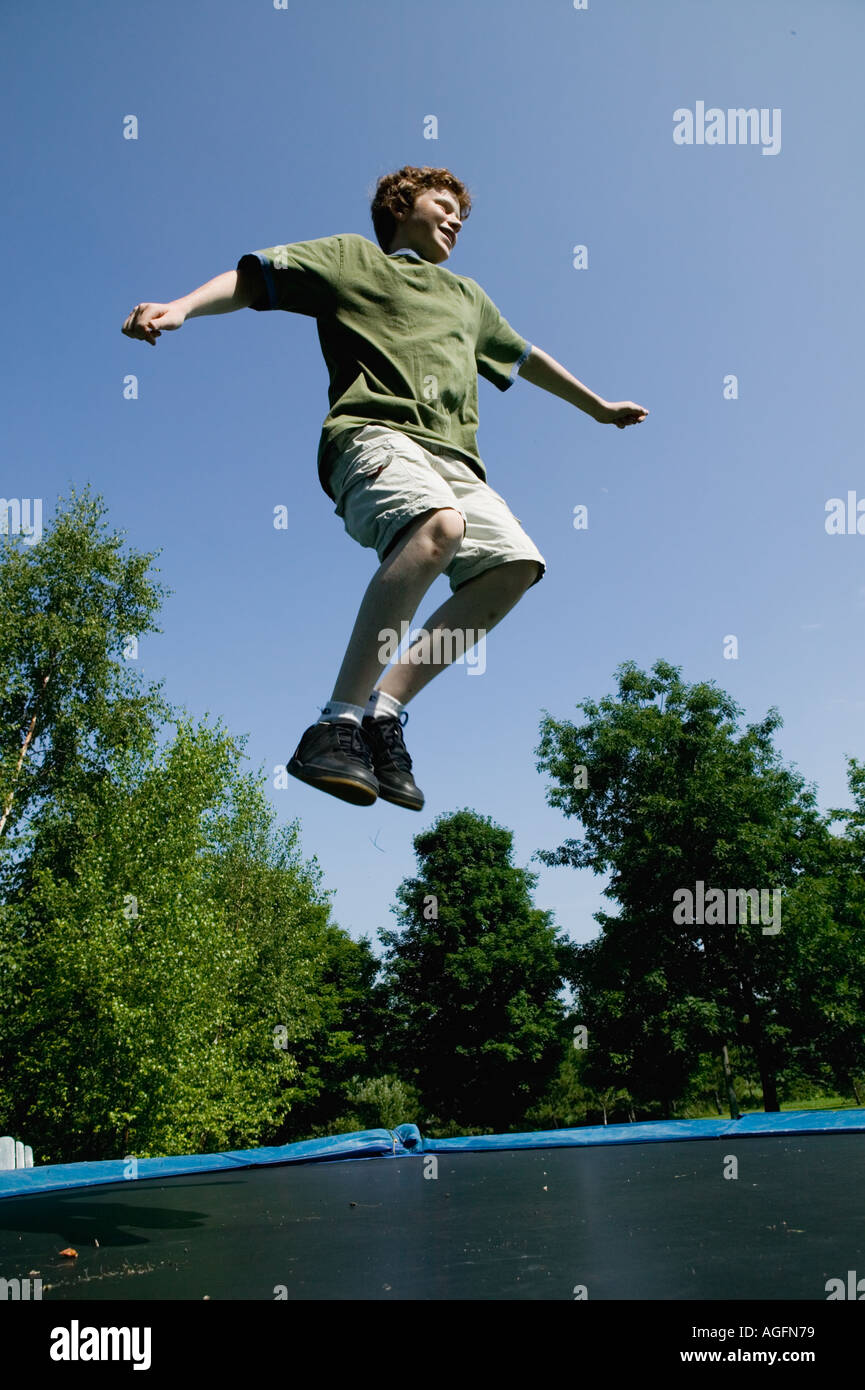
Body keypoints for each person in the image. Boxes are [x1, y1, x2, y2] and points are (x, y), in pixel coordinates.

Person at [122, 165, 648, 812]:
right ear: (401, 206)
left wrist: (595, 407)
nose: (455, 218)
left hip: (457, 462)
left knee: (514, 565)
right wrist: (181, 308)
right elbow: (254, 277)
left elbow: (524, 356)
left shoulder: (467, 297)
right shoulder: (352, 259)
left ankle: (384, 713)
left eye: (462, 213)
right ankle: (335, 723)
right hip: (372, 437)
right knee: (438, 527)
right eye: (442, 204)